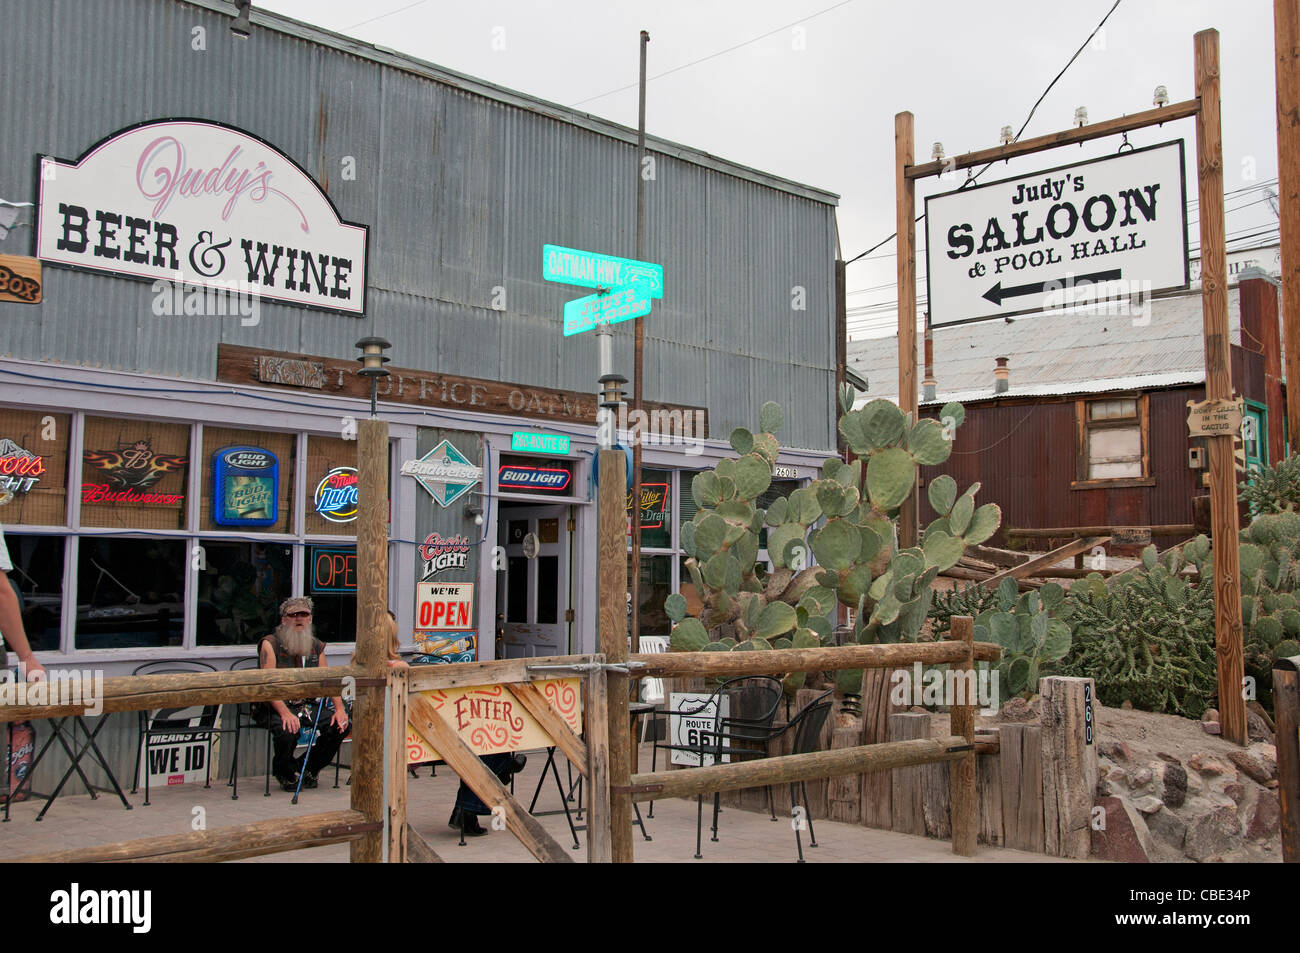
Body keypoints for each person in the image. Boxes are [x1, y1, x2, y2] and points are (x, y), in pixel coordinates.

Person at [258, 596, 349, 792]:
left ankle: (308, 768)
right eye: (293, 615)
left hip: (305, 705)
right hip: (275, 705)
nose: (299, 619)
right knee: (287, 730)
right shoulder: (270, 644)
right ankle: (284, 772)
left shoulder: (316, 645)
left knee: (340, 725)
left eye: (304, 614)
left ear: (310, 619)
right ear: (284, 619)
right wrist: (284, 713)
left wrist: (340, 709)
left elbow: (328, 681)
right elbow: (268, 685)